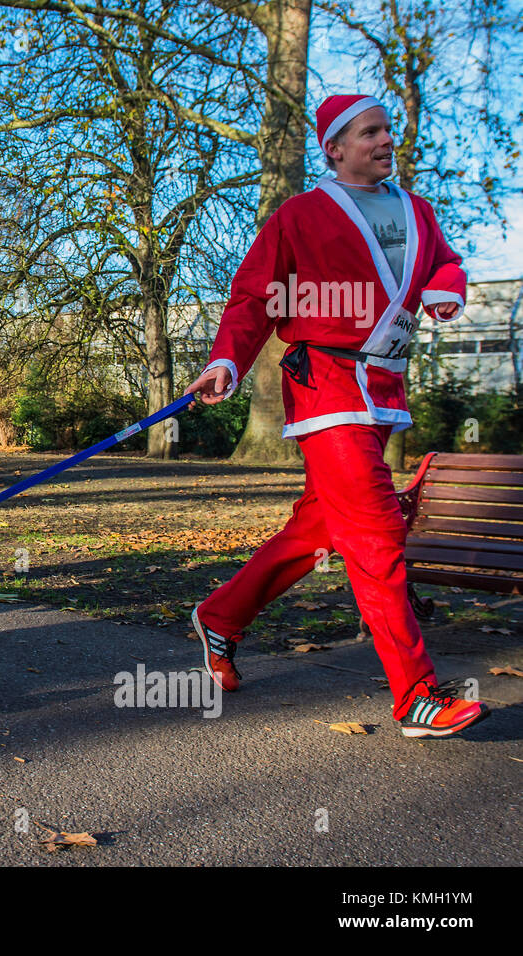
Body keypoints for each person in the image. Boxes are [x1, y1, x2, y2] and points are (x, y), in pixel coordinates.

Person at [184, 94, 488, 739]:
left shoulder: (418, 211)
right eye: (370, 131)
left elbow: (446, 262)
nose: (386, 140)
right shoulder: (301, 215)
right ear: (335, 148)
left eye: (388, 130)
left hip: (384, 387)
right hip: (325, 386)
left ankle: (221, 616)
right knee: (377, 529)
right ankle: (416, 695)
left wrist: (448, 285)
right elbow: (253, 298)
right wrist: (227, 362)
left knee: (321, 525)